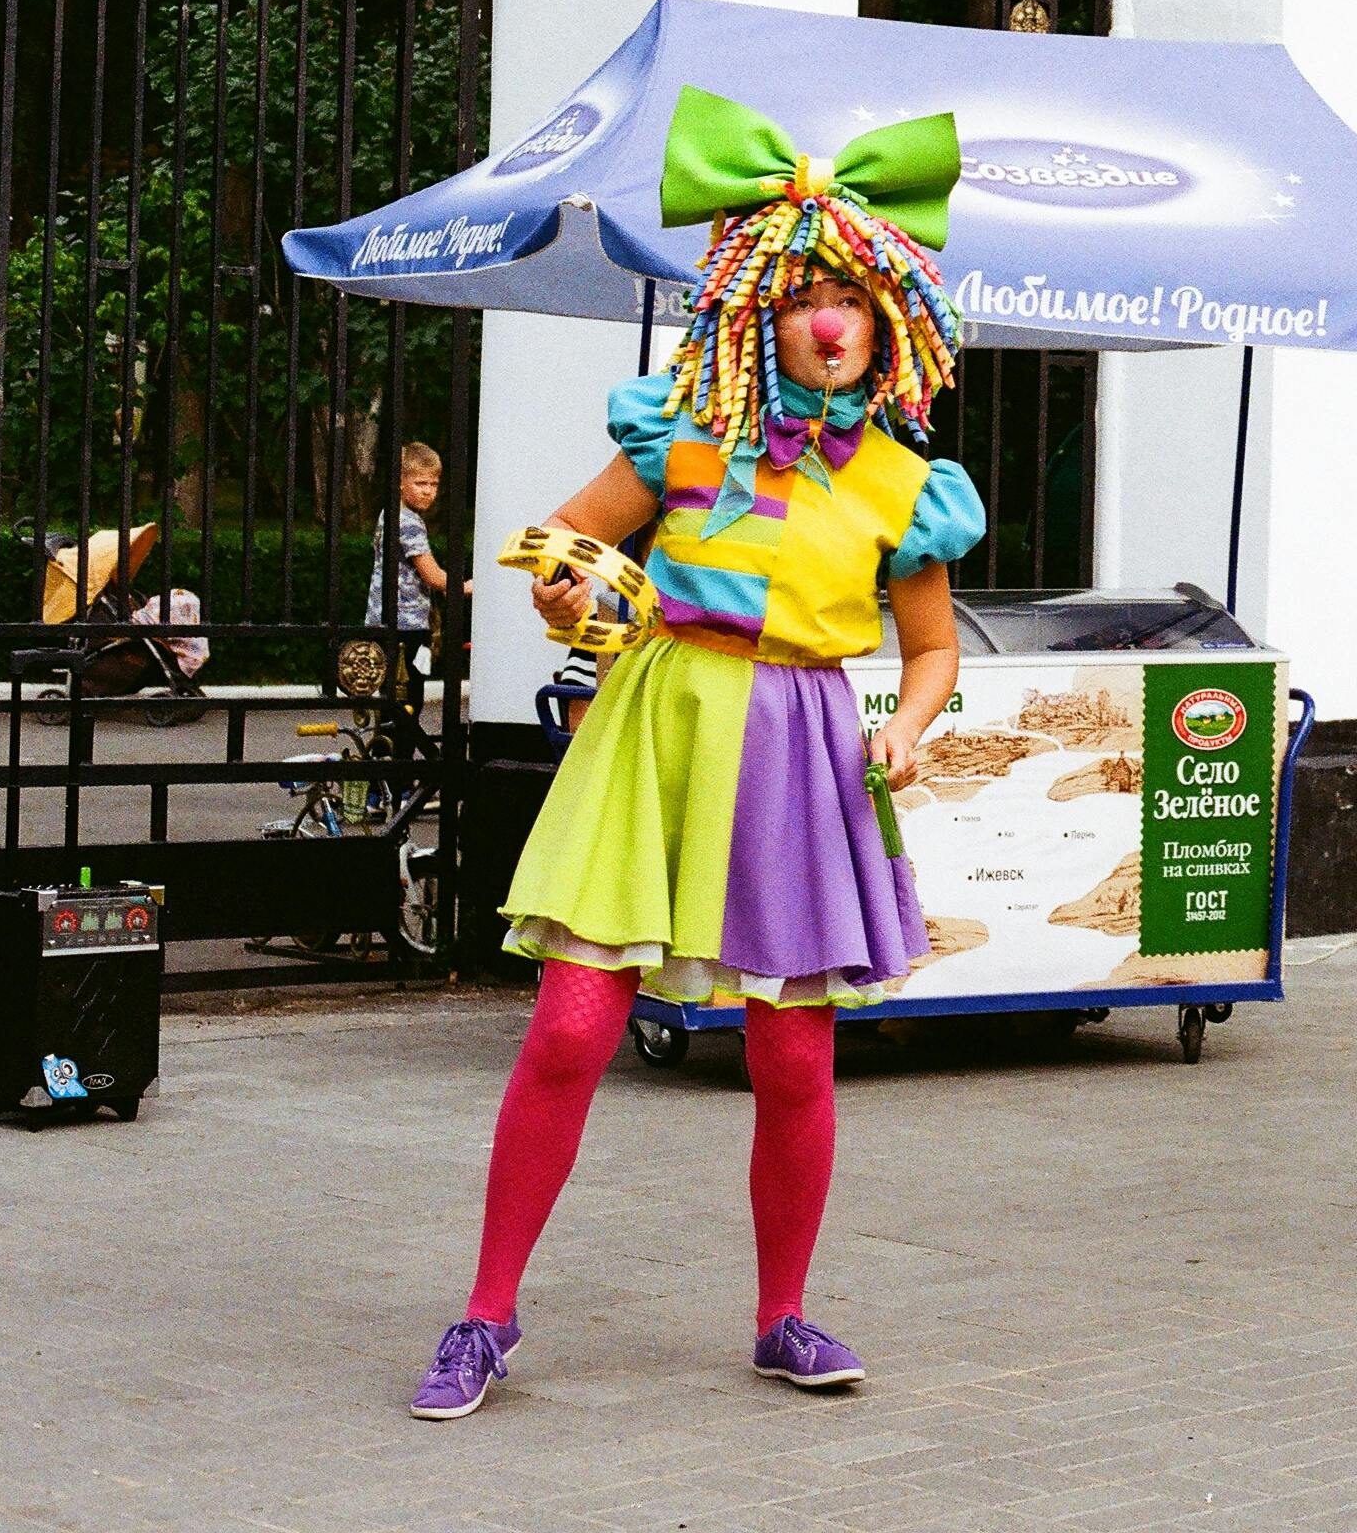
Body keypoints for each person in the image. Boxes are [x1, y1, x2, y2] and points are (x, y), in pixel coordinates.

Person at [411, 88, 984, 1419]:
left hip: (800, 751)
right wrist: (569, 594)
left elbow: (934, 651)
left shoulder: (906, 486)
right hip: (657, 726)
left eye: (852, 295)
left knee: (793, 1058)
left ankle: (783, 1313)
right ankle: (484, 1316)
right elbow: (566, 545)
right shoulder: (686, 431)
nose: (829, 318)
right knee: (568, 1028)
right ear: (757, 309)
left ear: (889, 318)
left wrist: (902, 727)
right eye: (803, 295)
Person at [368, 442, 468, 663]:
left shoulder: (390, 514)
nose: (428, 491)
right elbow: (431, 575)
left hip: (380, 618)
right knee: (408, 693)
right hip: (406, 624)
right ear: (399, 482)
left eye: (434, 484)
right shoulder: (409, 523)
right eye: (420, 483)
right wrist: (461, 587)